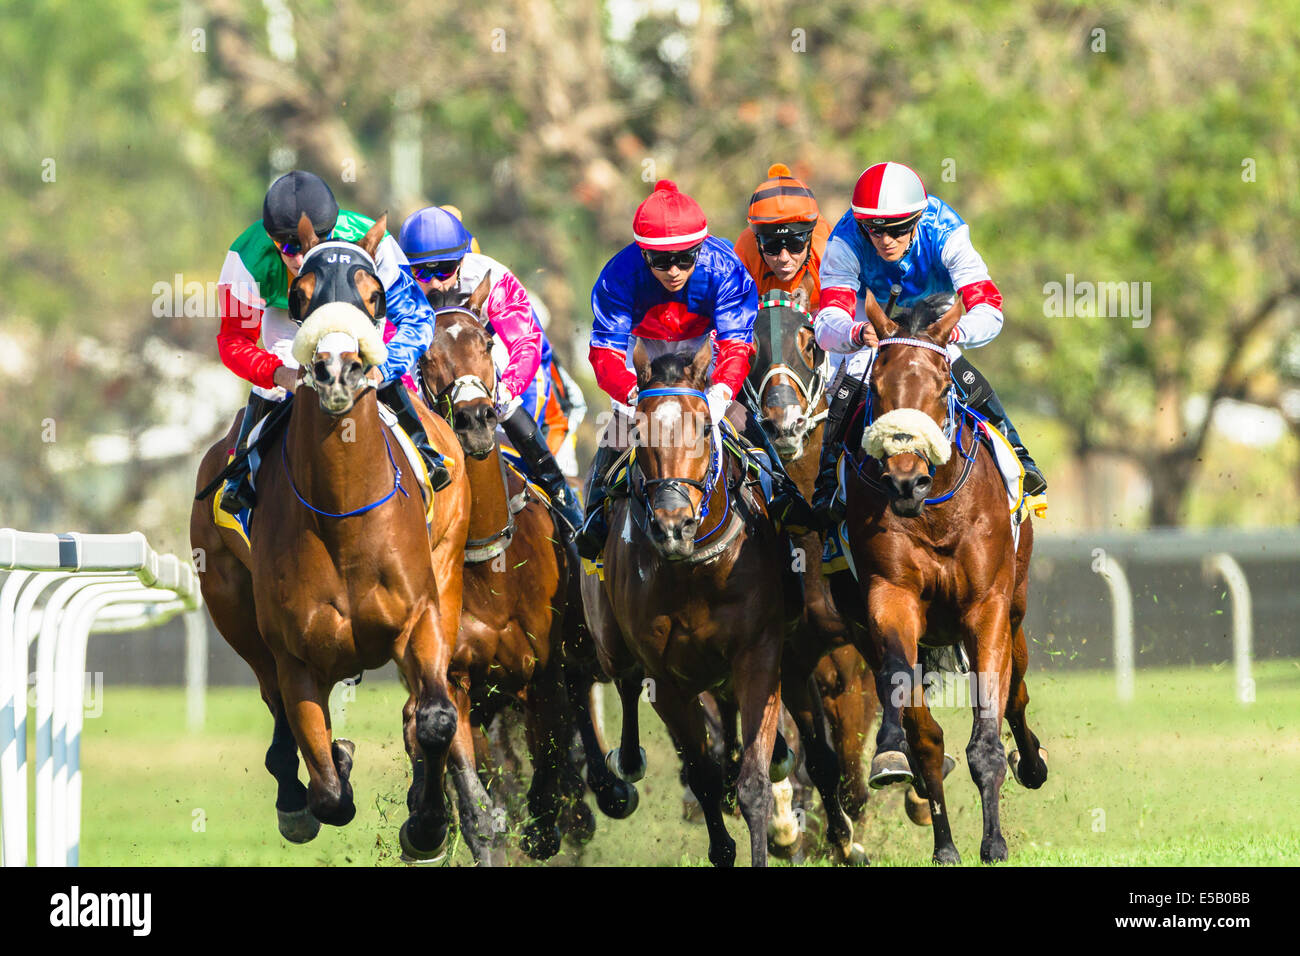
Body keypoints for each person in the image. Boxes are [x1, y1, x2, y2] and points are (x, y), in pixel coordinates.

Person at [809, 161, 1047, 528]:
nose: (884, 240)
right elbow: (827, 323)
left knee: (955, 365)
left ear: (917, 220)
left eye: (898, 229)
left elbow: (989, 307)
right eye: (873, 229)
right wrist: (854, 333)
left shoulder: (946, 230)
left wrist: (956, 333)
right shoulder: (844, 240)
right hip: (872, 310)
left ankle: (1020, 457)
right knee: (855, 369)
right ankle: (827, 482)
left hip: (934, 310)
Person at [216, 171, 449, 515]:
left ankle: (425, 452)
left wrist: (383, 367)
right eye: (289, 247)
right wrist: (278, 374)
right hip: (287, 317)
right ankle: (239, 473)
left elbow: (416, 318)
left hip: (357, 315)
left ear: (333, 228)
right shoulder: (247, 259)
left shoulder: (373, 242)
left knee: (372, 368)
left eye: (315, 239)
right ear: (270, 238)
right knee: (279, 382)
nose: (301, 258)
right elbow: (234, 341)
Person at [575, 179, 758, 560]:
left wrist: (721, 392)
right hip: (644, 346)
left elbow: (737, 343)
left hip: (703, 343)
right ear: (643, 255)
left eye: (685, 258)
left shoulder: (724, 267)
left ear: (700, 248)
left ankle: (780, 499)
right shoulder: (618, 277)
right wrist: (630, 394)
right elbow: (605, 352)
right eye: (661, 261)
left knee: (744, 420)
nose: (674, 270)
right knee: (621, 427)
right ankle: (594, 515)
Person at [397, 206, 583, 534]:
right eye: (423, 273)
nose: (437, 282)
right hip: (433, 358)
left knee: (506, 408)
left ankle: (566, 507)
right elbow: (393, 351)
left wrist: (503, 391)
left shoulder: (492, 278)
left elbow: (525, 345)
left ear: (462, 260)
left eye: (445, 269)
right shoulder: (396, 283)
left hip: (499, 357)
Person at [733, 163, 833, 307]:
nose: (784, 258)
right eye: (772, 246)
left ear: (809, 238)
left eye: (795, 244)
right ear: (757, 242)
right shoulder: (745, 253)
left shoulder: (826, 250)